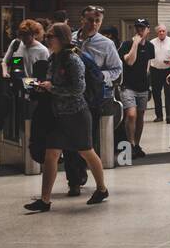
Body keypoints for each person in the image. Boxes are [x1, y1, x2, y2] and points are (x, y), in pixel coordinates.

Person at [24, 22, 108, 211]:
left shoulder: (72, 59)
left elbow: (79, 88)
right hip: (59, 115)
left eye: (50, 36)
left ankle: (102, 189)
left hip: (77, 115)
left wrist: (52, 88)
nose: (46, 39)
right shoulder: (55, 58)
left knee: (86, 152)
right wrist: (45, 86)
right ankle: (45, 200)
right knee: (50, 154)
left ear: (61, 38)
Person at [66, 6, 122, 195]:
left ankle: (81, 171)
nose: (94, 24)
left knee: (86, 140)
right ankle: (73, 180)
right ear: (82, 20)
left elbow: (116, 69)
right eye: (90, 20)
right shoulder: (70, 39)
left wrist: (97, 76)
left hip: (93, 98)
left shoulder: (106, 44)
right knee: (68, 140)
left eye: (98, 21)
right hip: (69, 97)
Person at [119, 18, 156, 158]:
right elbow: (129, 61)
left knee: (140, 116)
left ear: (148, 30)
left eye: (142, 28)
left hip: (143, 86)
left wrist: (149, 85)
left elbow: (147, 66)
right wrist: (135, 44)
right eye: (137, 28)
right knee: (131, 115)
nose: (139, 30)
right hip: (128, 86)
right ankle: (130, 144)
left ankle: (137, 144)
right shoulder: (127, 44)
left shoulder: (150, 47)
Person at [148, 23, 170, 122]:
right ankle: (159, 116)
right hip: (155, 70)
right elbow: (149, 58)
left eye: (163, 31)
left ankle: (169, 116)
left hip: (168, 71)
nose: (161, 32)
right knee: (156, 94)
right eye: (159, 31)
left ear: (166, 31)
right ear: (157, 32)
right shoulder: (151, 43)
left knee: (168, 94)